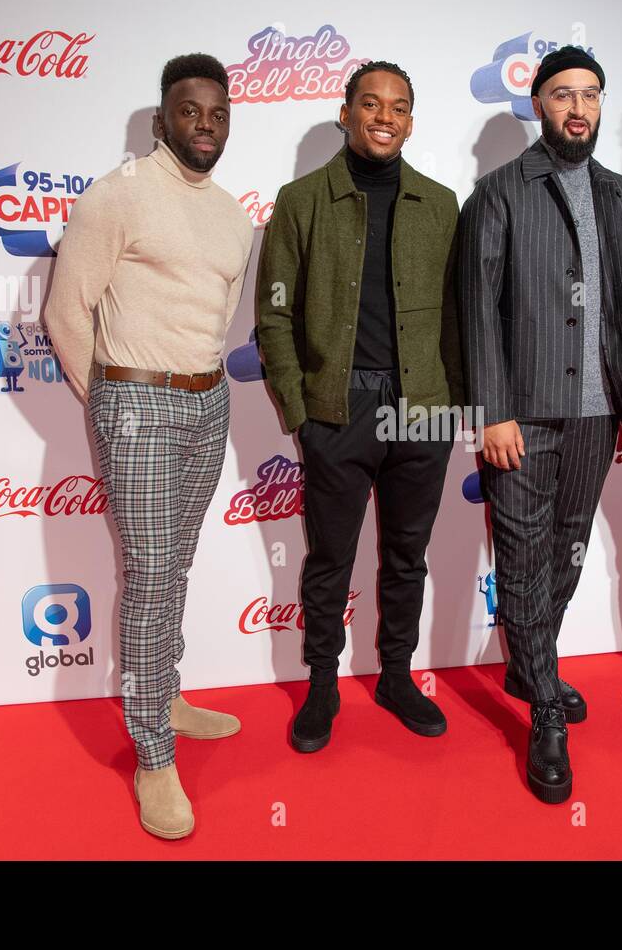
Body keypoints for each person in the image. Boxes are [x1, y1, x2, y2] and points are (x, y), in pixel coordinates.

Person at [44, 53, 253, 837]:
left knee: (178, 564)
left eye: (219, 114)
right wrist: (111, 403)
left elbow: (218, 316)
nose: (206, 125)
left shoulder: (235, 217)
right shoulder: (116, 196)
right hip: (135, 400)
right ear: (161, 120)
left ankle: (163, 693)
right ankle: (153, 753)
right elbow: (67, 314)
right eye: (190, 111)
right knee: (152, 569)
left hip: (209, 404)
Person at [458, 45, 622, 804]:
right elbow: (476, 309)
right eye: (563, 95)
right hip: (525, 415)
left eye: (591, 95)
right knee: (519, 551)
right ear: (537, 106)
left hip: (597, 413)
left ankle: (526, 663)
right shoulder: (500, 193)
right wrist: (493, 412)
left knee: (567, 547)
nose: (578, 108)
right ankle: (544, 705)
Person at [256, 61, 464, 753]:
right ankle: (321, 683)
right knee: (329, 559)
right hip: (337, 409)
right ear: (346, 114)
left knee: (408, 556)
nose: (384, 116)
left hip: (422, 410)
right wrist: (300, 409)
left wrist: (453, 407)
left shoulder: (440, 205)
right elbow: (274, 315)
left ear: (410, 120)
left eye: (399, 107)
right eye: (370, 104)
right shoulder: (301, 200)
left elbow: (461, 319)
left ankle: (397, 676)